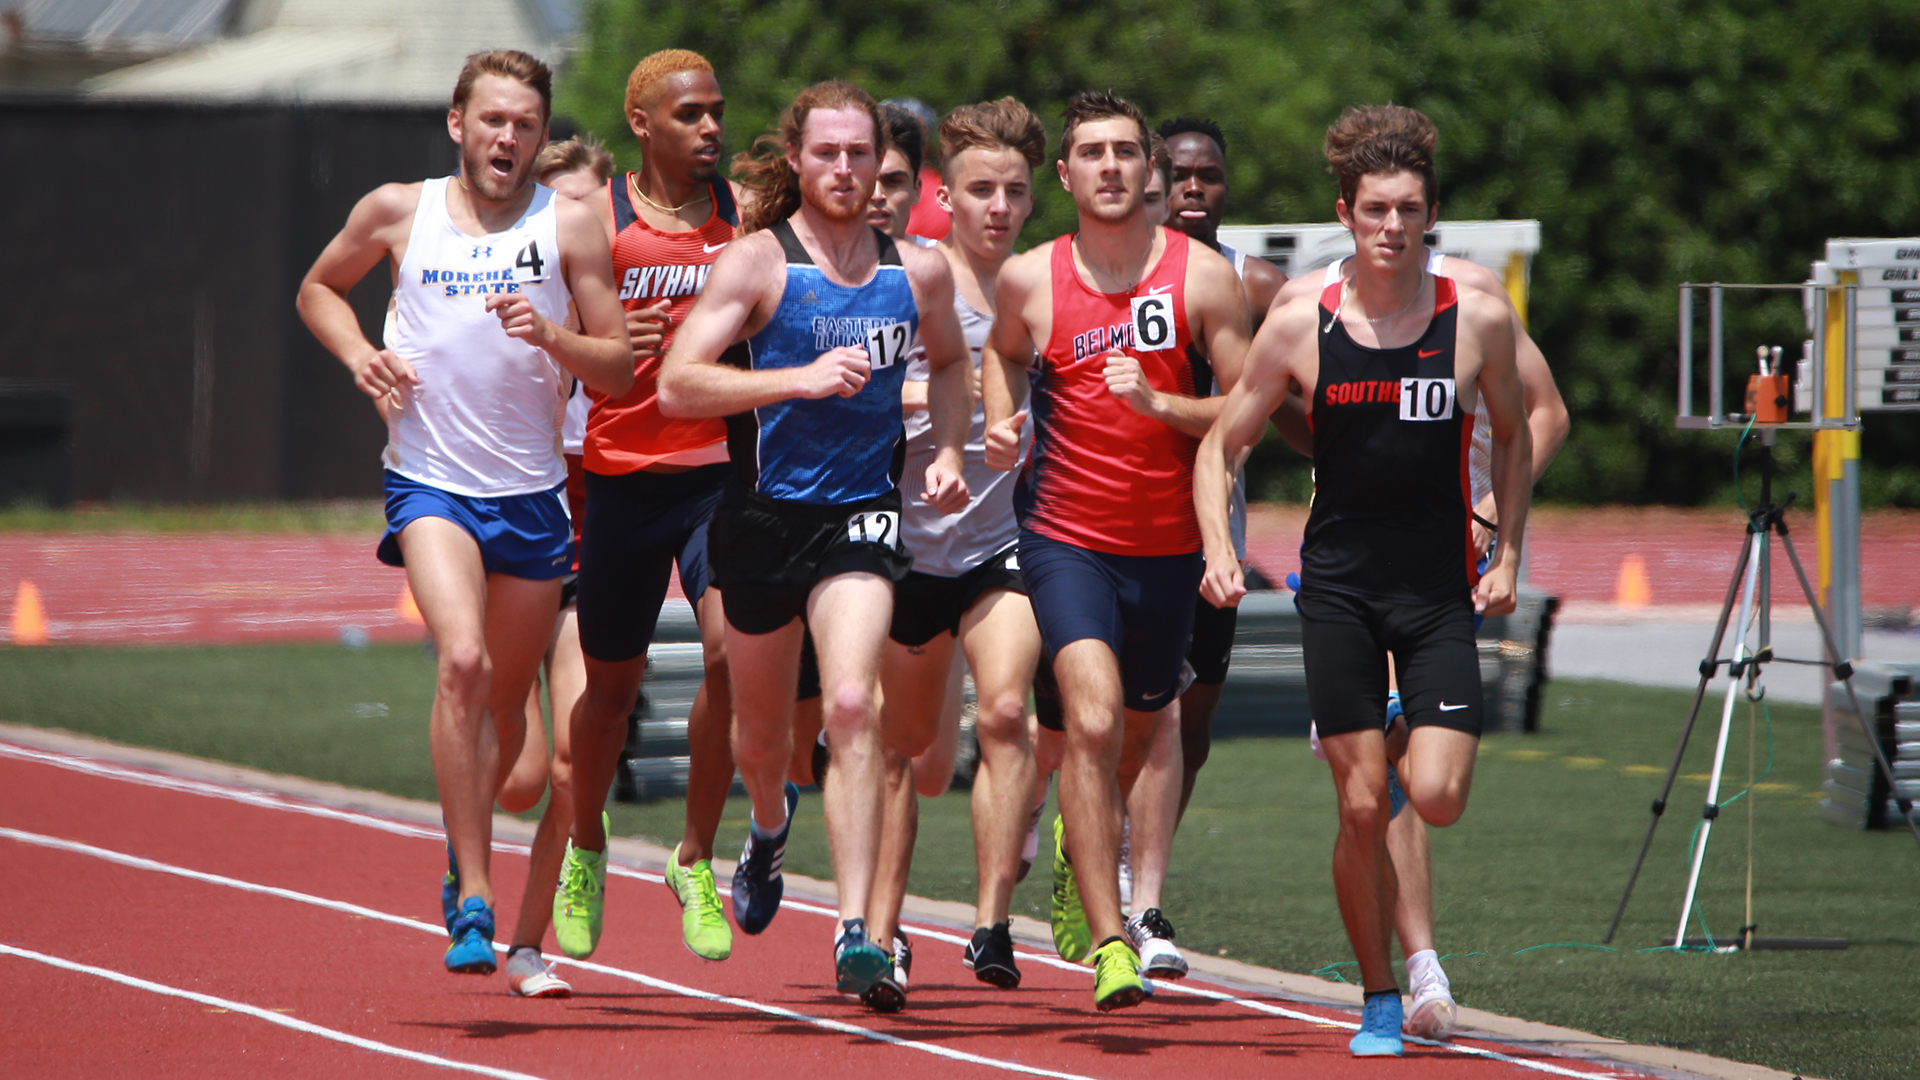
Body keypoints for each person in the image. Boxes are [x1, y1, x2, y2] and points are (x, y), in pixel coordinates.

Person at [1197, 103, 1532, 1057]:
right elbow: (1222, 444)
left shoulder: (1477, 318)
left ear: (1432, 216)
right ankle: (1380, 995)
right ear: (1346, 213)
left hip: (1436, 593)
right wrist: (1221, 550)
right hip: (1338, 588)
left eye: (1410, 209)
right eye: (1376, 209)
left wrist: (1506, 548)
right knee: (1356, 804)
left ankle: (1393, 731)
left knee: (1437, 795)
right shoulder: (1302, 319)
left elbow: (1513, 431)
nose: (1393, 226)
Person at [295, 49, 632, 977]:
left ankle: (462, 842)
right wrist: (362, 352)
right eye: (492, 120)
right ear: (457, 124)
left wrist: (552, 332)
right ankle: (475, 899)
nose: (508, 138)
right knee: (465, 660)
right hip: (430, 480)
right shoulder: (397, 210)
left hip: (529, 495)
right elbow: (318, 288)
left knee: (506, 719)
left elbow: (618, 367)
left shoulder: (568, 226)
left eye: (525, 123)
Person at [657, 79, 971, 1000]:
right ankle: (765, 829)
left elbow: (949, 360)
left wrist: (949, 446)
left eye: (860, 153)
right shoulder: (757, 264)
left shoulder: (918, 272)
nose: (844, 169)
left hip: (861, 518)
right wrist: (794, 380)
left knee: (848, 706)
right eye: (827, 152)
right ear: (796, 160)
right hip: (758, 522)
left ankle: (856, 931)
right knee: (763, 744)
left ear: (883, 164)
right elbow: (678, 383)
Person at [981, 90, 1250, 1012]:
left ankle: (1077, 841)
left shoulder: (1204, 278)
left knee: (1134, 736)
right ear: (1064, 174)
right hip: (1066, 539)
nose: (1108, 166)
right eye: (1090, 152)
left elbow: (1246, 411)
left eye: (1124, 152)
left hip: (1169, 547)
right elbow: (1001, 354)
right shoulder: (1029, 277)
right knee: (1089, 720)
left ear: (1151, 172)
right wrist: (996, 418)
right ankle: (1111, 942)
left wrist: (1161, 408)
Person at [546, 50, 760, 967]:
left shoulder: (746, 220)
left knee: (728, 659)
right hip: (621, 477)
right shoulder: (598, 221)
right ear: (643, 122)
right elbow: (541, 353)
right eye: (689, 115)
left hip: (719, 475)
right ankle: (585, 848)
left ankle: (695, 858)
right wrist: (596, 345)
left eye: (716, 112)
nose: (710, 128)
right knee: (609, 694)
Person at [850, 97, 1050, 1010]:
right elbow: (846, 394)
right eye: (981, 190)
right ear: (949, 196)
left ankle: (991, 923)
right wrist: (914, 414)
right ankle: (881, 937)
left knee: (1006, 712)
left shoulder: (1053, 287)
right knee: (908, 749)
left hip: (1000, 541)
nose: (999, 207)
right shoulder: (910, 279)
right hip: (907, 548)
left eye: (1014, 190)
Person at [479, 134, 618, 998]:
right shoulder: (492, 295)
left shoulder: (620, 305)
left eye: (590, 211)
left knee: (571, 769)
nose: (577, 227)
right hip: (513, 544)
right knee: (519, 781)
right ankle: (465, 845)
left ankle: (526, 945)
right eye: (561, 210)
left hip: (592, 552)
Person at [1154, 117, 1287, 818]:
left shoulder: (1259, 287)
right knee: (1127, 716)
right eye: (1180, 175)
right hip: (1125, 518)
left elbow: (1299, 401)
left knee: (1193, 730)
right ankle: (1095, 855)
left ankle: (1140, 875)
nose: (1195, 188)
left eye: (1209, 175)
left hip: (1215, 531)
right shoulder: (1120, 273)